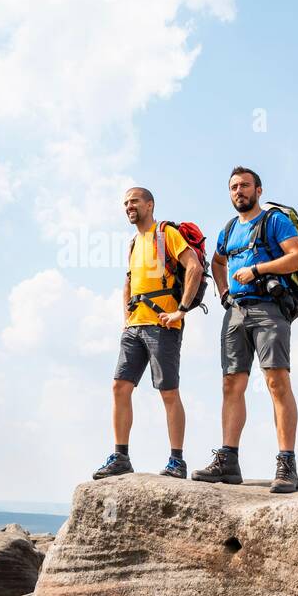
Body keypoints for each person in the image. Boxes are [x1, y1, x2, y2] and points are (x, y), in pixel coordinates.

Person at [192, 167, 298, 493]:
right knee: (231, 384)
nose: (238, 191)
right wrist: (223, 291)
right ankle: (228, 460)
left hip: (270, 309)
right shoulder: (228, 230)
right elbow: (216, 262)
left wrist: (257, 269)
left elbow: (296, 257)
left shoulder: (273, 221)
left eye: (244, 186)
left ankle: (287, 464)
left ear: (258, 190)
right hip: (236, 312)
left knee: (276, 381)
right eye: (233, 187)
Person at [93, 187, 203, 481]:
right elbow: (128, 281)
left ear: (150, 205)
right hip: (135, 325)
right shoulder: (133, 243)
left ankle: (176, 460)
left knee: (168, 392)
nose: (129, 206)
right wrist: (125, 319)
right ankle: (120, 456)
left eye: (135, 201)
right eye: (126, 202)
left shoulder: (165, 233)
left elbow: (194, 267)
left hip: (163, 324)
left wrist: (181, 309)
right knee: (120, 387)